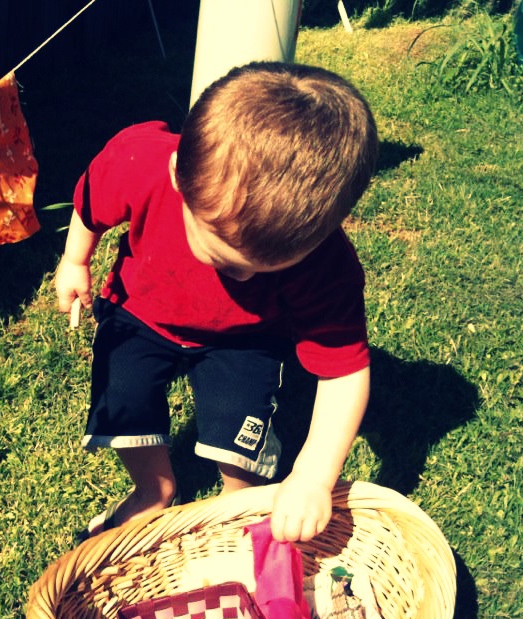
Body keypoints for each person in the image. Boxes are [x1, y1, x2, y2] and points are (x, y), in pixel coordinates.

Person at [54, 61, 379, 544]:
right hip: (140, 313)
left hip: (245, 339)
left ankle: (238, 504)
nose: (243, 277)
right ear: (177, 178)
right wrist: (75, 260)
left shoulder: (326, 263)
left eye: (266, 270)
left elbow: (344, 371)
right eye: (225, 259)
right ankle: (153, 489)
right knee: (123, 403)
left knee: (238, 429)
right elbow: (92, 199)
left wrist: (313, 477)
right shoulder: (141, 162)